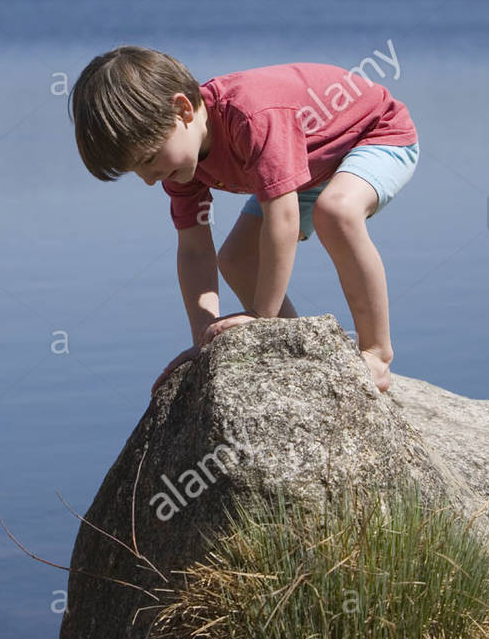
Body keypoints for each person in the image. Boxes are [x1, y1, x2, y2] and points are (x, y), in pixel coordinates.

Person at [69, 46, 419, 395]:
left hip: (374, 136)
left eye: (148, 160)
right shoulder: (179, 165)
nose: (149, 179)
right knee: (236, 258)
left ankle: (376, 351)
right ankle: (293, 347)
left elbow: (282, 217)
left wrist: (259, 315)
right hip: (305, 164)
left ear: (182, 110)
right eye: (136, 171)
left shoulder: (251, 116)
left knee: (336, 212)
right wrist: (205, 338)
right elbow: (194, 249)